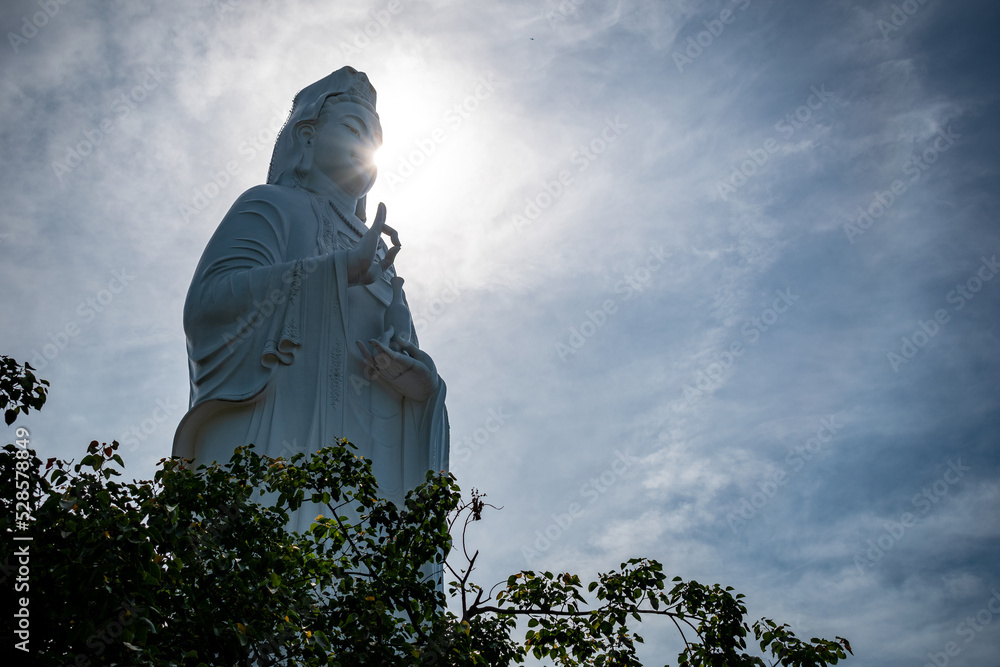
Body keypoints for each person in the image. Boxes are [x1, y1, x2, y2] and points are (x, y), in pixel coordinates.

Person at [173, 67, 449, 532]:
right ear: (307, 135)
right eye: (352, 129)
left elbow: (399, 350)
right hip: (275, 436)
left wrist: (419, 387)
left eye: (375, 141)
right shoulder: (271, 205)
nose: (366, 149)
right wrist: (335, 271)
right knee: (268, 577)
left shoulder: (380, 252)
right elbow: (208, 305)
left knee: (358, 580)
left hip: (363, 462)